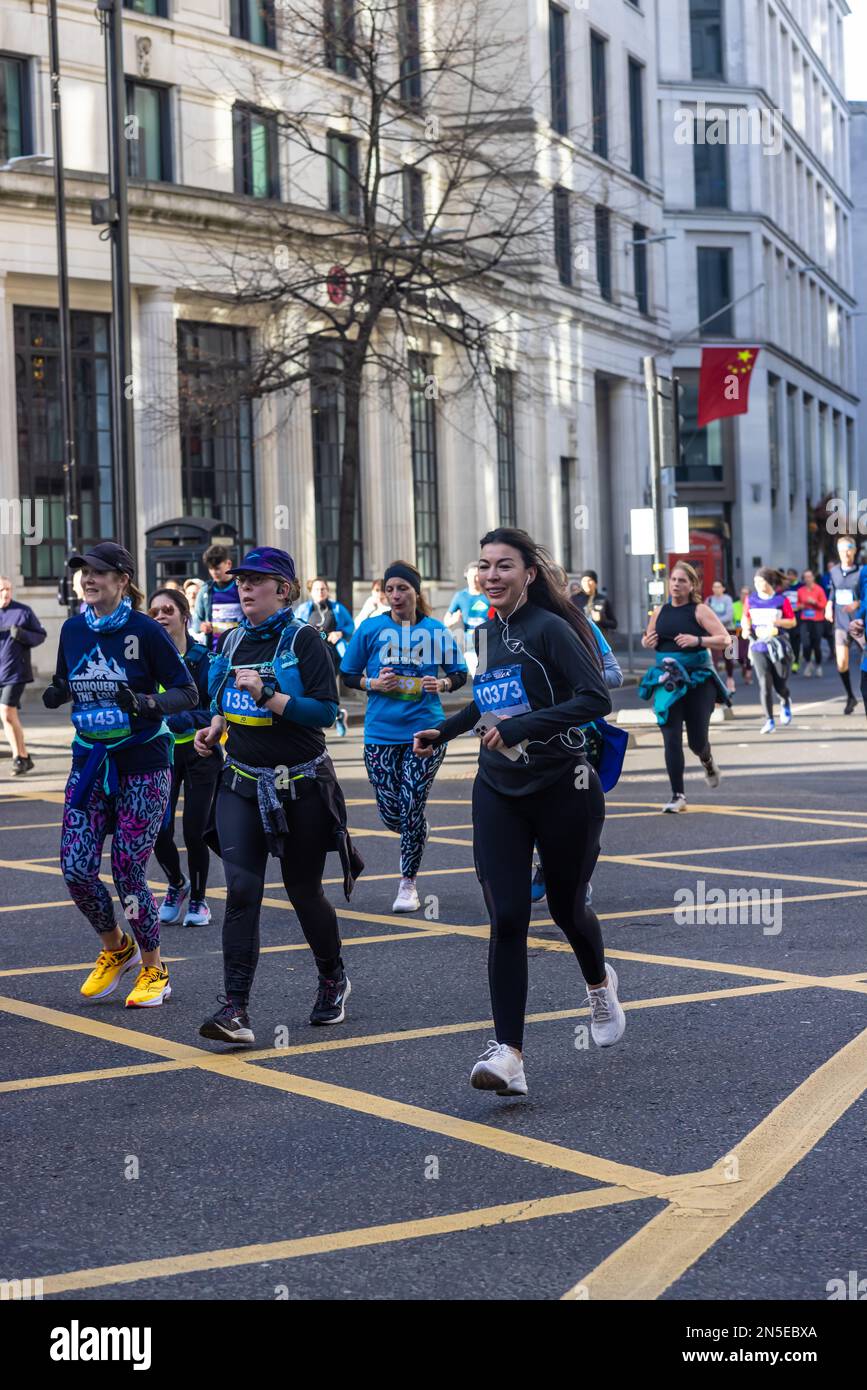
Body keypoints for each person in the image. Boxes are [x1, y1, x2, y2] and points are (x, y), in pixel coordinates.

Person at [413, 528, 623, 1100]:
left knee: (565, 907)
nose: (491, 575)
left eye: (504, 565)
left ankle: (599, 984)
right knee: (506, 917)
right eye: (484, 565)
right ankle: (509, 1054)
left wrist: (520, 729)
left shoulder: (552, 629)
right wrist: (447, 730)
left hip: (563, 785)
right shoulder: (483, 633)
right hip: (499, 789)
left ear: (529, 574)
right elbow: (488, 699)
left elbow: (594, 699)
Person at [194, 547, 363, 1046]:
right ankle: (235, 1009)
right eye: (241, 581)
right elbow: (223, 702)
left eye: (257, 581)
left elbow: (325, 712)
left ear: (283, 589)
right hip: (241, 783)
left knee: (303, 890)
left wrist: (269, 695)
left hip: (302, 784)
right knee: (242, 889)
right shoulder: (230, 641)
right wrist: (214, 728)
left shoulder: (305, 640)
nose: (245, 588)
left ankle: (333, 976)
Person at [43, 542, 198, 1007]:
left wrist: (147, 703)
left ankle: (154, 968)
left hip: (143, 765)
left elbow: (187, 693)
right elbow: (63, 680)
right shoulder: (72, 630)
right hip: (89, 763)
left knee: (129, 869)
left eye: (98, 573)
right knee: (75, 869)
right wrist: (57, 692)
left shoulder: (146, 631)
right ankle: (116, 948)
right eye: (83, 573)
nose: (88, 580)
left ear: (122, 580)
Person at [340, 560, 467, 913]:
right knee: (391, 814)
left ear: (416, 592)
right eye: (390, 589)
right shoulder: (370, 629)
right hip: (380, 732)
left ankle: (407, 883)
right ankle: (415, 827)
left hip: (425, 728)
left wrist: (440, 683)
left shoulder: (435, 630)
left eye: (403, 589)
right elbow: (348, 674)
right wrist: (372, 683)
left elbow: (459, 674)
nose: (396, 595)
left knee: (411, 806)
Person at [149, 587, 222, 927]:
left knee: (194, 830)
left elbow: (215, 710)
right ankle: (177, 884)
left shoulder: (203, 658)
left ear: (184, 615)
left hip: (200, 751)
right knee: (157, 830)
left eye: (167, 610)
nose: (161, 616)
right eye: (154, 612)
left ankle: (198, 900)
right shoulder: (147, 660)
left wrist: (178, 719)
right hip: (159, 754)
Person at [638, 562, 730, 813]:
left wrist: (697, 640)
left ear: (692, 585)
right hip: (668, 680)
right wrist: (647, 641)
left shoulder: (699, 610)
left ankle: (707, 760)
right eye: (674, 580)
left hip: (698, 680)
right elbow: (649, 638)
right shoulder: (660, 611)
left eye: (682, 581)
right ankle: (677, 795)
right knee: (670, 737)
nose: (676, 584)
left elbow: (725, 639)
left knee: (697, 741)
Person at [294, 578, 354, 737]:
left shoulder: (337, 609)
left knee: (325, 688)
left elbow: (350, 626)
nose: (320, 592)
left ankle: (329, 717)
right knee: (309, 688)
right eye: (317, 589)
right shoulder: (303, 609)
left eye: (323, 589)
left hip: (331, 654)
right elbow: (294, 627)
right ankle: (338, 714)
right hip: (309, 656)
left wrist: (339, 633)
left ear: (327, 591)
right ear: (310, 591)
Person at [0, 575, 46, 775]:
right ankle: (23, 757)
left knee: (6, 712)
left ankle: (19, 758)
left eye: (8, 589)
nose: (6, 593)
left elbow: (40, 635)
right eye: (2, 590)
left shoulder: (23, 611)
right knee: (9, 717)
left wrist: (22, 635)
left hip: (15, 672)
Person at [742, 568, 797, 733]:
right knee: (764, 683)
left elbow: (792, 622)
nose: (757, 585)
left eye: (761, 582)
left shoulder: (781, 600)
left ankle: (785, 699)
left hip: (778, 645)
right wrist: (745, 628)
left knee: (780, 683)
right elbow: (746, 617)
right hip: (759, 646)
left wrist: (779, 622)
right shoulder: (750, 600)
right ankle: (769, 720)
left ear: (769, 582)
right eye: (755, 582)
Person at [825, 537, 864, 714]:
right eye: (842, 551)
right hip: (841, 623)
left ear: (854, 551)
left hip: (859, 623)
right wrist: (828, 605)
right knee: (841, 663)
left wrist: (858, 603)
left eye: (848, 550)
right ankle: (850, 696)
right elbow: (833, 591)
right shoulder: (833, 572)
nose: (846, 554)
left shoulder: (862, 571)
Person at [191, 545, 242, 652]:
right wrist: (202, 626)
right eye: (211, 569)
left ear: (228, 564)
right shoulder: (206, 590)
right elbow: (196, 621)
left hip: (240, 647)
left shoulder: (241, 586)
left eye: (217, 568)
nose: (214, 572)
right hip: (214, 651)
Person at [444, 563, 490, 676]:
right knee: (478, 675)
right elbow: (446, 621)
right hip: (470, 643)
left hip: (490, 641)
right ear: (466, 577)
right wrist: (453, 620)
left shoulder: (489, 594)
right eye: (470, 576)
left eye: (476, 576)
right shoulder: (460, 596)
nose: (474, 580)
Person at [706, 580, 737, 695]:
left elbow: (729, 616)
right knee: (713, 659)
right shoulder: (709, 600)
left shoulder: (727, 599)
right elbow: (705, 615)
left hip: (728, 631)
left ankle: (730, 678)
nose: (716, 589)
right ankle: (716, 684)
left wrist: (715, 622)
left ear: (723, 588)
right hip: (713, 633)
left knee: (729, 656)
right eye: (714, 586)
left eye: (718, 587)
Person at [797, 568, 827, 678]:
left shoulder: (819, 590)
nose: (808, 579)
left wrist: (814, 602)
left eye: (810, 576)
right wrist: (802, 605)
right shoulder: (801, 591)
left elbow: (824, 605)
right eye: (806, 577)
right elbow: (797, 605)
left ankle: (818, 665)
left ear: (813, 578)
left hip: (817, 620)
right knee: (805, 643)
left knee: (816, 644)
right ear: (803, 579)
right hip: (805, 619)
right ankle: (808, 663)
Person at [731, 587, 753, 684]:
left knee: (748, 653)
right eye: (743, 593)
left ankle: (748, 671)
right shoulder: (734, 605)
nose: (745, 596)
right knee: (738, 655)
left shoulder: (752, 605)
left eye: (747, 594)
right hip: (737, 632)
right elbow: (731, 619)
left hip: (749, 632)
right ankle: (743, 666)